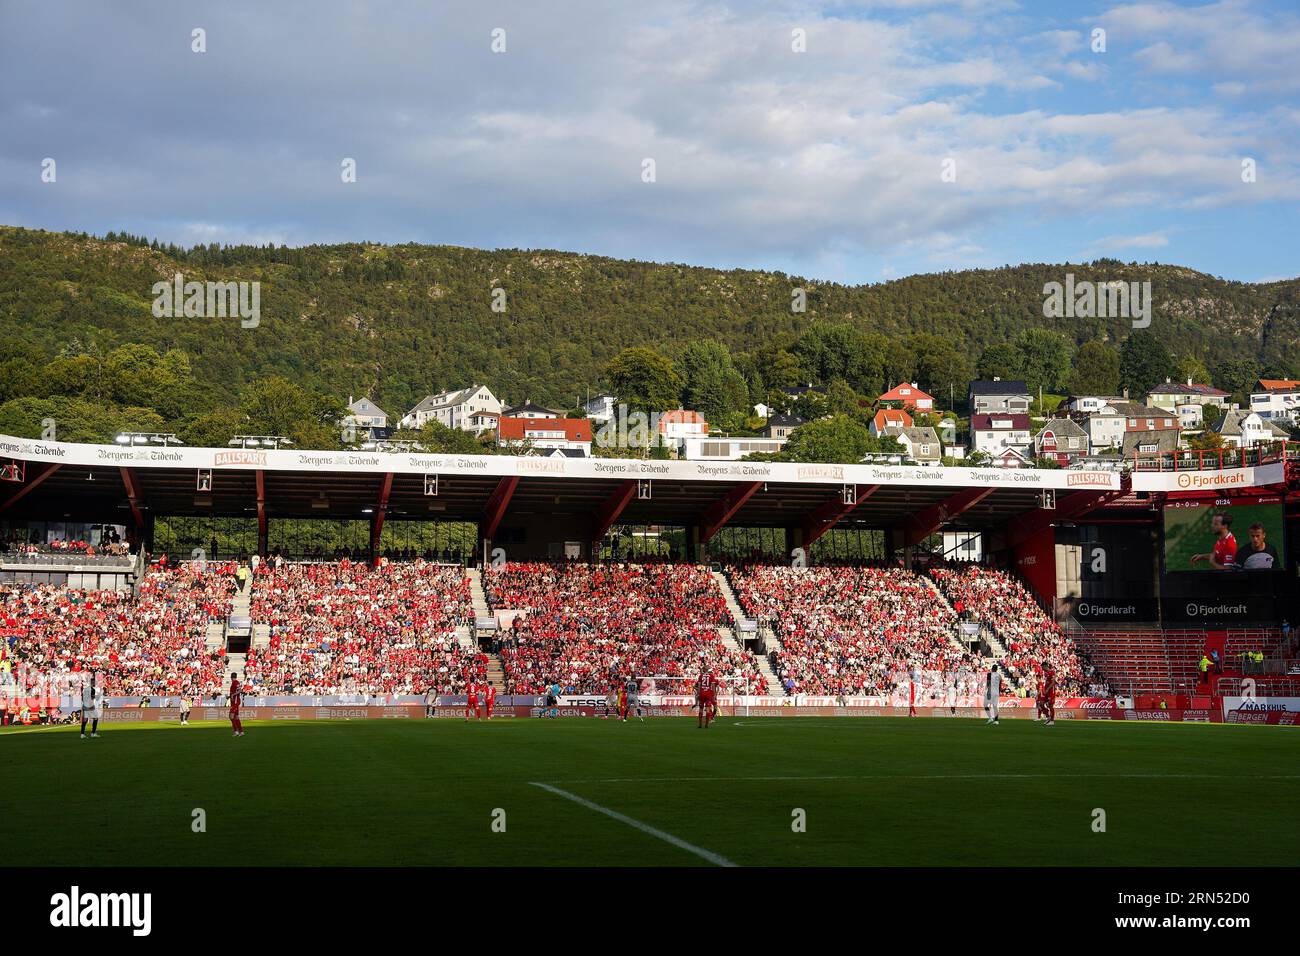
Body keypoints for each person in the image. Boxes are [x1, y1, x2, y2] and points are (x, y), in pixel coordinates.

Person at [80, 673, 102, 739]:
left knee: (85, 720)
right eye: (94, 682)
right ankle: (93, 733)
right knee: (95, 718)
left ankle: (82, 734)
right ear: (92, 682)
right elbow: (92, 698)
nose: (95, 683)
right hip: (90, 706)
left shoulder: (85, 689)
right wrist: (97, 696)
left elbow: (82, 698)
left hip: (85, 705)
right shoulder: (92, 690)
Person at [1040, 661, 1056, 727]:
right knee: (1041, 703)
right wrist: (1044, 689)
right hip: (1046, 691)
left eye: (1042, 667)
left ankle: (1052, 721)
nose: (1042, 669)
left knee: (1050, 705)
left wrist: (1047, 689)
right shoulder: (1046, 673)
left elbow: (1053, 682)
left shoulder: (1052, 672)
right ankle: (1048, 717)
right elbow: (1047, 682)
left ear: (1045, 666)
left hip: (1051, 691)